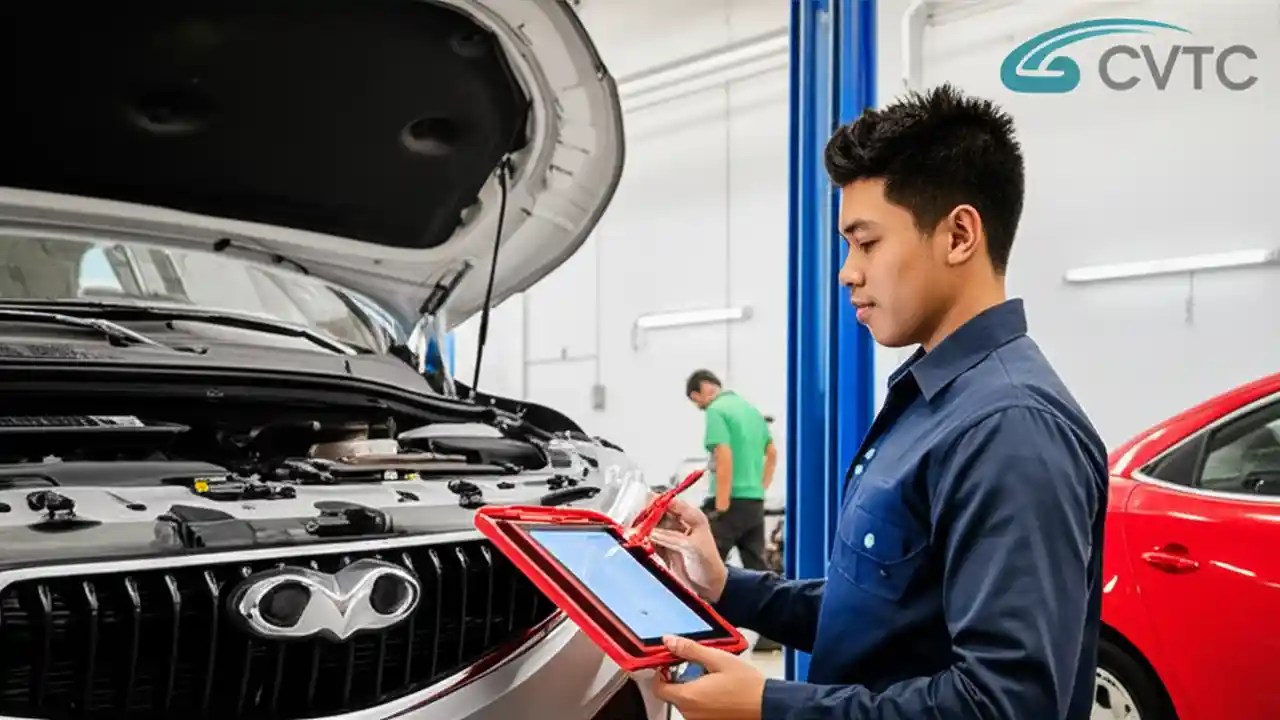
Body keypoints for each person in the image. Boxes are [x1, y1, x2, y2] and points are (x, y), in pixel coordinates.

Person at [648, 83, 1108, 720]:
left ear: (959, 235)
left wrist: (770, 705)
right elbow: (877, 614)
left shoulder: (1009, 428)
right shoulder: (933, 400)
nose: (847, 271)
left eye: (866, 243)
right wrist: (725, 586)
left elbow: (1006, 706)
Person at [686, 369, 777, 572]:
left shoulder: (716, 410)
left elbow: (723, 454)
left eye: (696, 401)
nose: (699, 405)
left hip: (730, 503)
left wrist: (721, 504)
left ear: (697, 394)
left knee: (707, 568)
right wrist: (760, 486)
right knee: (757, 569)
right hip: (754, 502)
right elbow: (772, 453)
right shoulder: (750, 410)